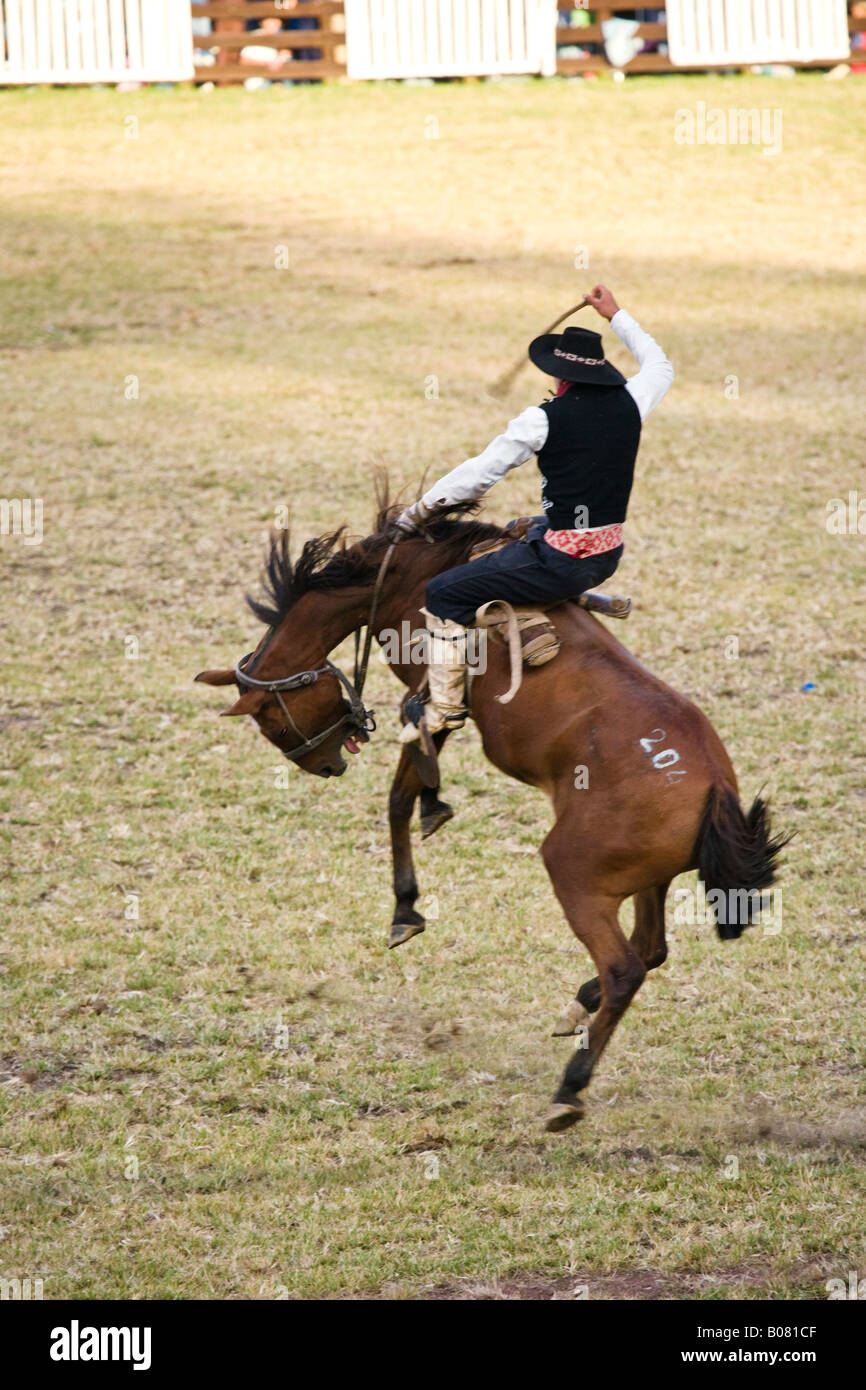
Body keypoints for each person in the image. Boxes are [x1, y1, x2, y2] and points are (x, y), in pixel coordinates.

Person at [393, 285, 674, 744]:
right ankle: (546, 604)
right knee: (514, 532)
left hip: (561, 561)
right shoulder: (632, 401)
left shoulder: (543, 419)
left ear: (560, 378)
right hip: (606, 555)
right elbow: (661, 365)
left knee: (443, 593)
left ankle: (444, 709)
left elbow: (478, 475)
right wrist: (616, 315)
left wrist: (418, 513)